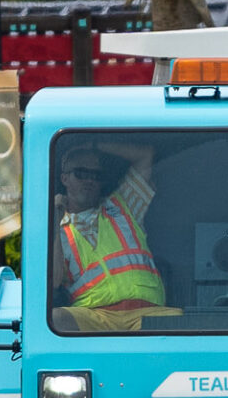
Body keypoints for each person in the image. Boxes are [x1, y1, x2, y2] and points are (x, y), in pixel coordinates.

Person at [51, 140, 169, 330]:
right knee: (56, 319)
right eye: (81, 173)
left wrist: (93, 145)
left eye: (95, 175)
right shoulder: (57, 230)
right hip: (96, 318)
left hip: (147, 314)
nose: (89, 180)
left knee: (191, 323)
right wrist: (53, 222)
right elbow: (54, 281)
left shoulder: (123, 205)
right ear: (65, 179)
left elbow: (145, 154)